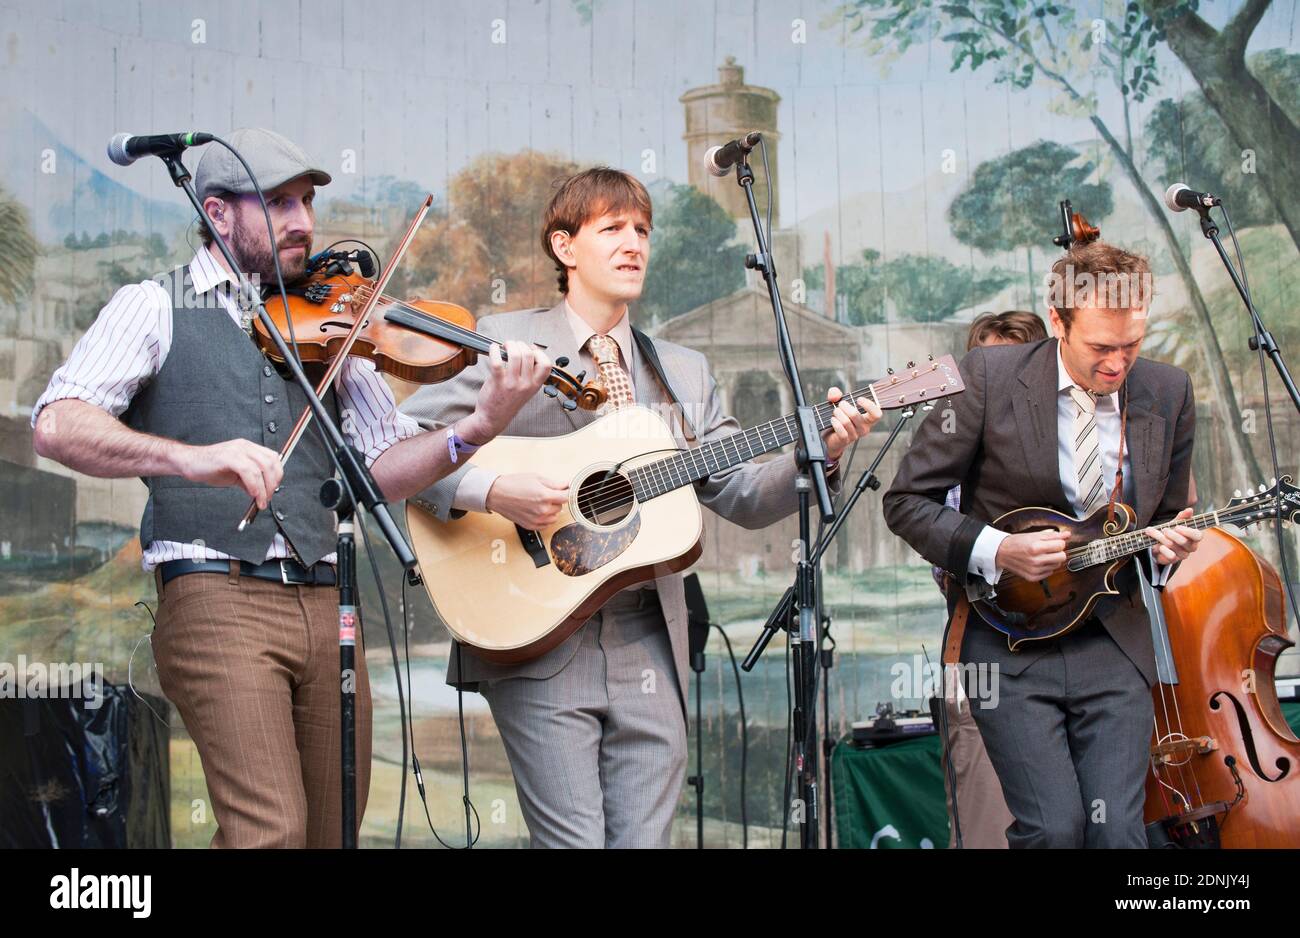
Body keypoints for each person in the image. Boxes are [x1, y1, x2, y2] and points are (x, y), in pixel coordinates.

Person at [31, 127, 551, 848]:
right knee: (269, 832)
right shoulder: (154, 305)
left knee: (332, 833)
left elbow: (383, 464)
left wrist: (482, 424)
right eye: (277, 203)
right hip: (218, 593)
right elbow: (57, 425)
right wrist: (191, 458)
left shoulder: (332, 320)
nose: (304, 220)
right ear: (217, 213)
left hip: (326, 598)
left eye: (306, 201)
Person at [402, 167, 881, 847]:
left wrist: (823, 449)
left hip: (650, 638)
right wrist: (489, 489)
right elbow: (401, 449)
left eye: (642, 231)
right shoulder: (506, 336)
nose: (634, 244)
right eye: (612, 229)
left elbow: (742, 492)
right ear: (565, 247)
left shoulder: (681, 370)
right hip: (540, 633)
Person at [885, 242, 1202, 848]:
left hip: (1113, 641)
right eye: (1101, 348)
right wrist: (997, 549)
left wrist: (1166, 551)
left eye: (1131, 345)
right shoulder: (986, 376)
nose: (1118, 365)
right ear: (1057, 322)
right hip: (1008, 646)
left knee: (1120, 837)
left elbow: (1163, 520)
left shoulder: (1169, 391)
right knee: (1054, 830)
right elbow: (905, 502)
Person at [935, 310, 1047, 849]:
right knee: (986, 828)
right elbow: (942, 557)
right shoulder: (952, 452)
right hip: (984, 650)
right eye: (978, 366)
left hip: (1079, 664)